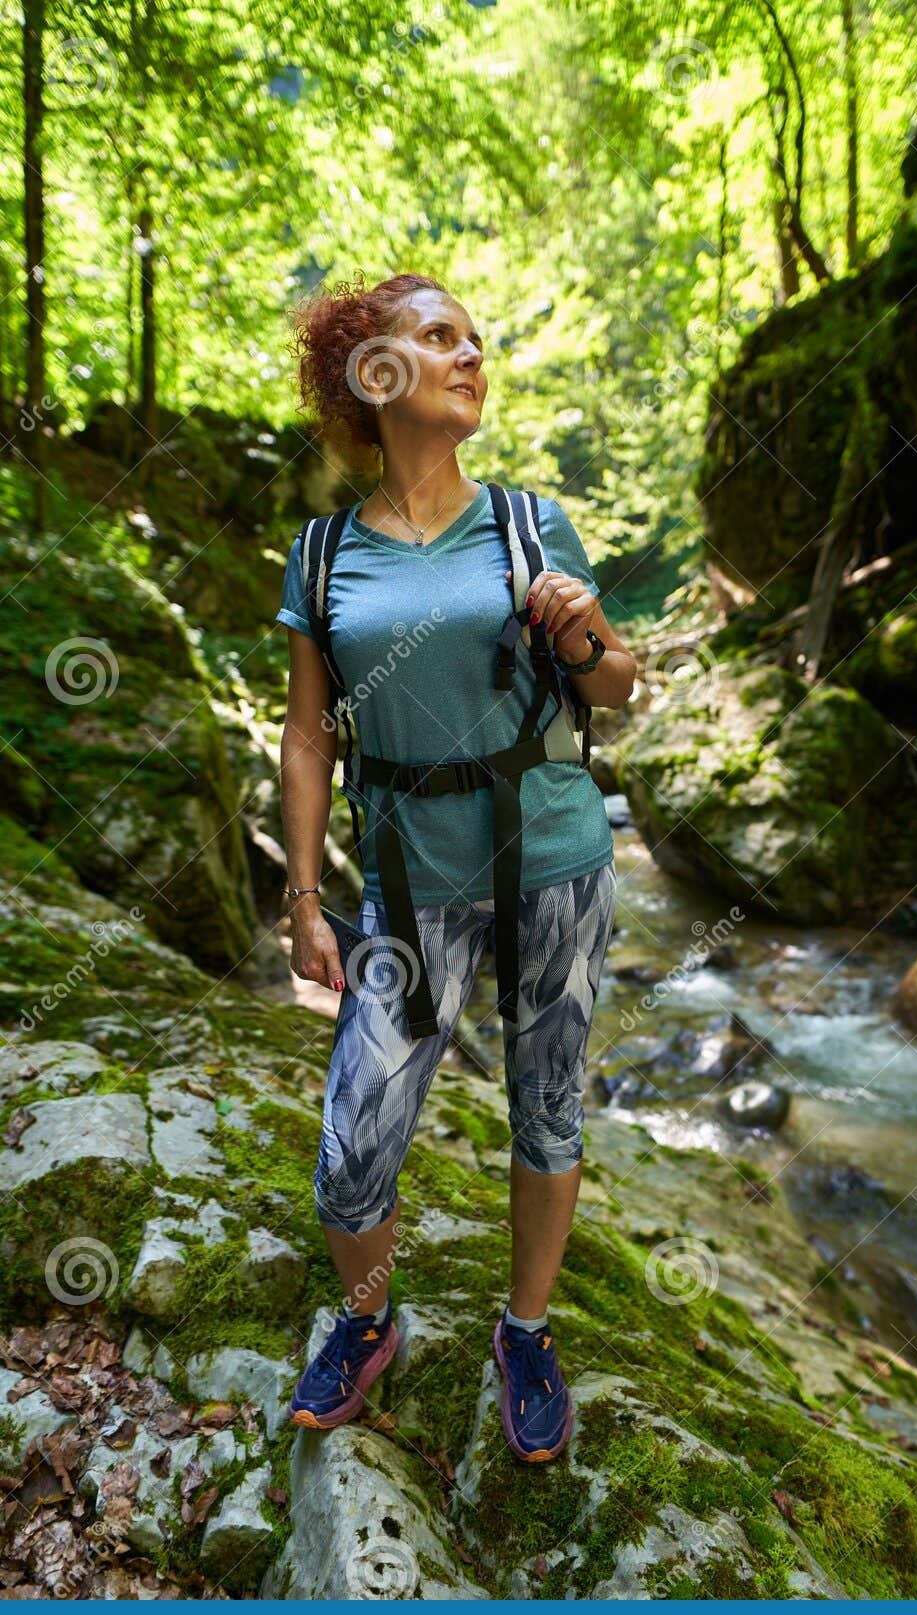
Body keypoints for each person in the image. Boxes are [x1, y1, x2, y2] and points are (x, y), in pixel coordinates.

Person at [275, 271, 636, 1463]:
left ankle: (524, 1331)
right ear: (373, 377)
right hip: (406, 883)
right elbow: (309, 732)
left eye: (476, 338)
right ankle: (367, 1319)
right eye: (439, 338)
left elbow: (613, 689)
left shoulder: (530, 525)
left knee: (547, 1106)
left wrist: (584, 632)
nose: (470, 353)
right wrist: (303, 896)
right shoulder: (324, 557)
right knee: (352, 1144)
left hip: (556, 863)